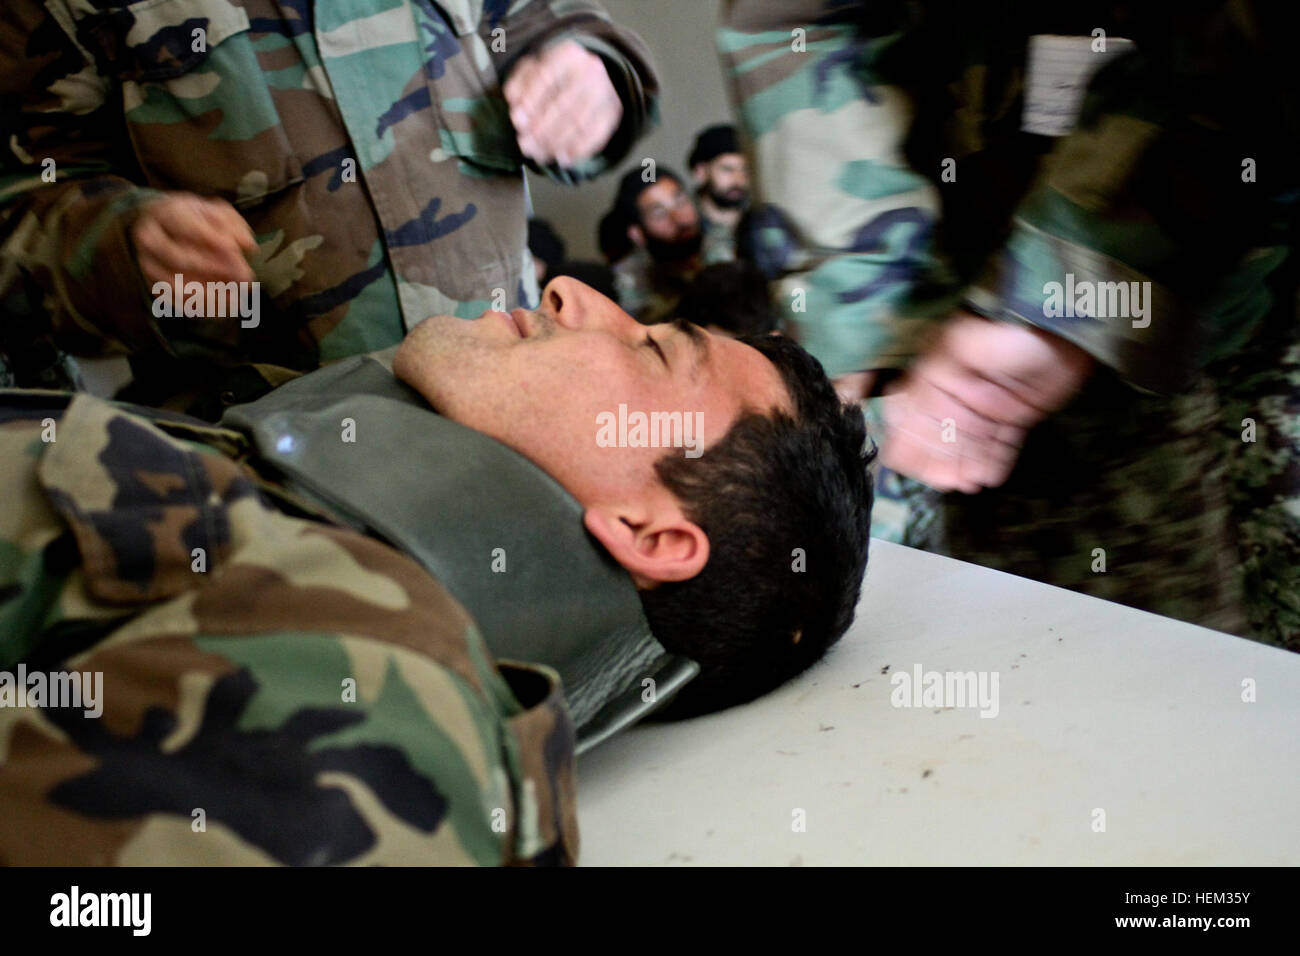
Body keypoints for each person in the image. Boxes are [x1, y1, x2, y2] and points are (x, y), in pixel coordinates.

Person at [0, 276, 875, 863]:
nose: (571, 290)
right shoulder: (308, 544)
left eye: (648, 347)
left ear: (653, 536)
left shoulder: (373, 700)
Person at [719, 0, 1300, 646]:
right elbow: (798, 19)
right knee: (1059, 673)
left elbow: (1244, 33)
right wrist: (865, 315)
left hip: (1244, 304)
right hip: (971, 336)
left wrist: (1073, 287)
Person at [0, 0, 660, 418]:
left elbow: (550, 20)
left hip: (518, 421)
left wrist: (592, 75)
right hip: (272, 473)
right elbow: (27, 189)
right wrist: (115, 243)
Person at [609, 167, 703, 323]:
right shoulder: (626, 284)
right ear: (637, 234)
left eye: (680, 202)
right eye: (659, 213)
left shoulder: (733, 248)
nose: (679, 218)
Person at [687, 124, 750, 265]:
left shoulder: (761, 217)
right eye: (727, 169)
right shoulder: (682, 224)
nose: (738, 179)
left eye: (745, 169)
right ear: (701, 172)